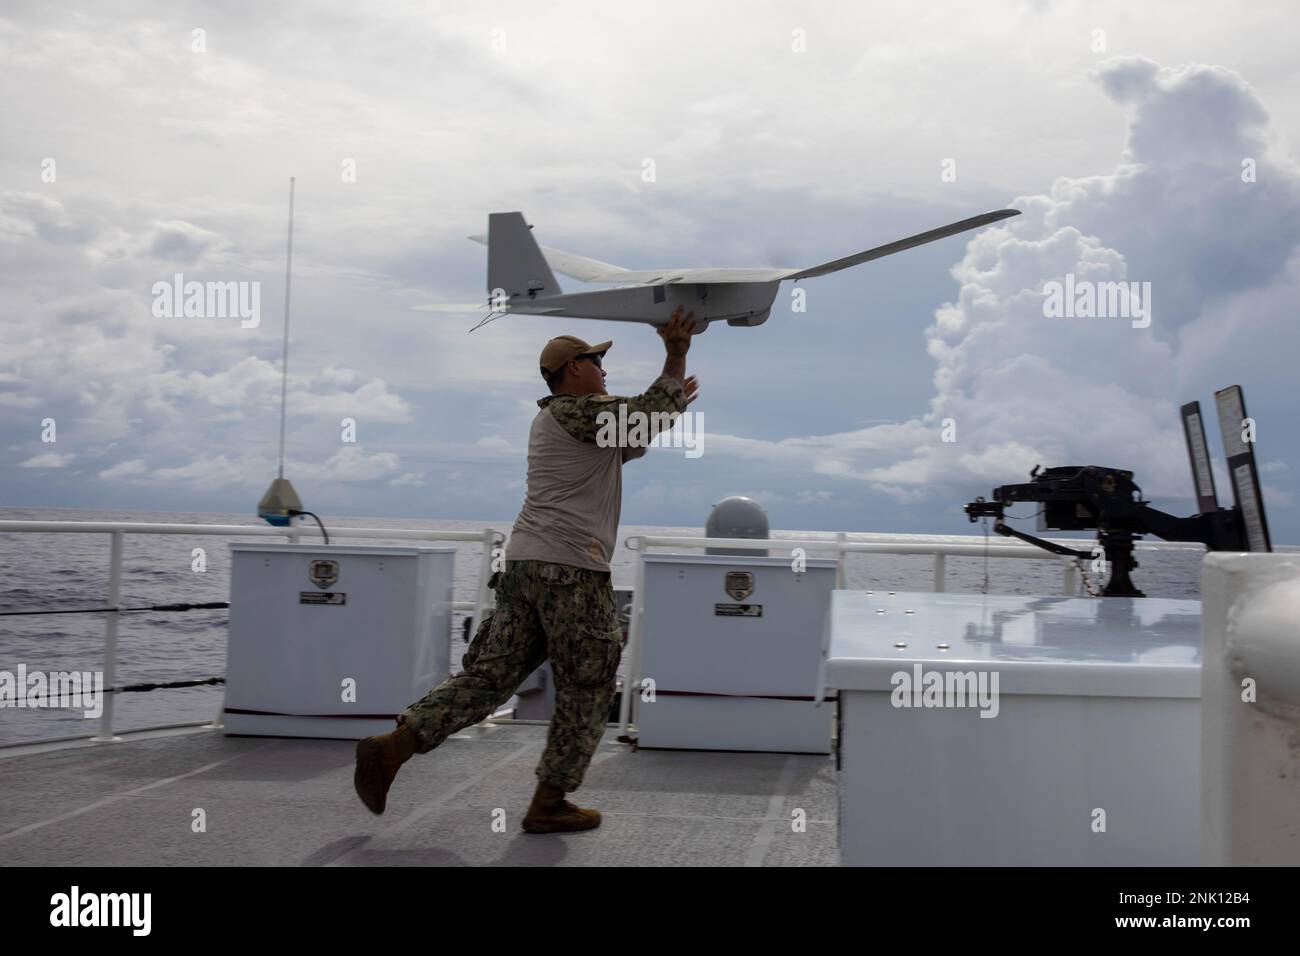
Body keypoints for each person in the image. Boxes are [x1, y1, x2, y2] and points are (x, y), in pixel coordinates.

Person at [354, 306, 701, 833]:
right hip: (570, 571)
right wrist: (676, 352)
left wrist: (669, 385)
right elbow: (645, 413)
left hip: (524, 566)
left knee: (489, 677)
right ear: (573, 369)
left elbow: (645, 424)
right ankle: (549, 801)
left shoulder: (568, 424)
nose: (604, 368)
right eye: (596, 360)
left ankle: (393, 747)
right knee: (587, 685)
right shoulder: (575, 412)